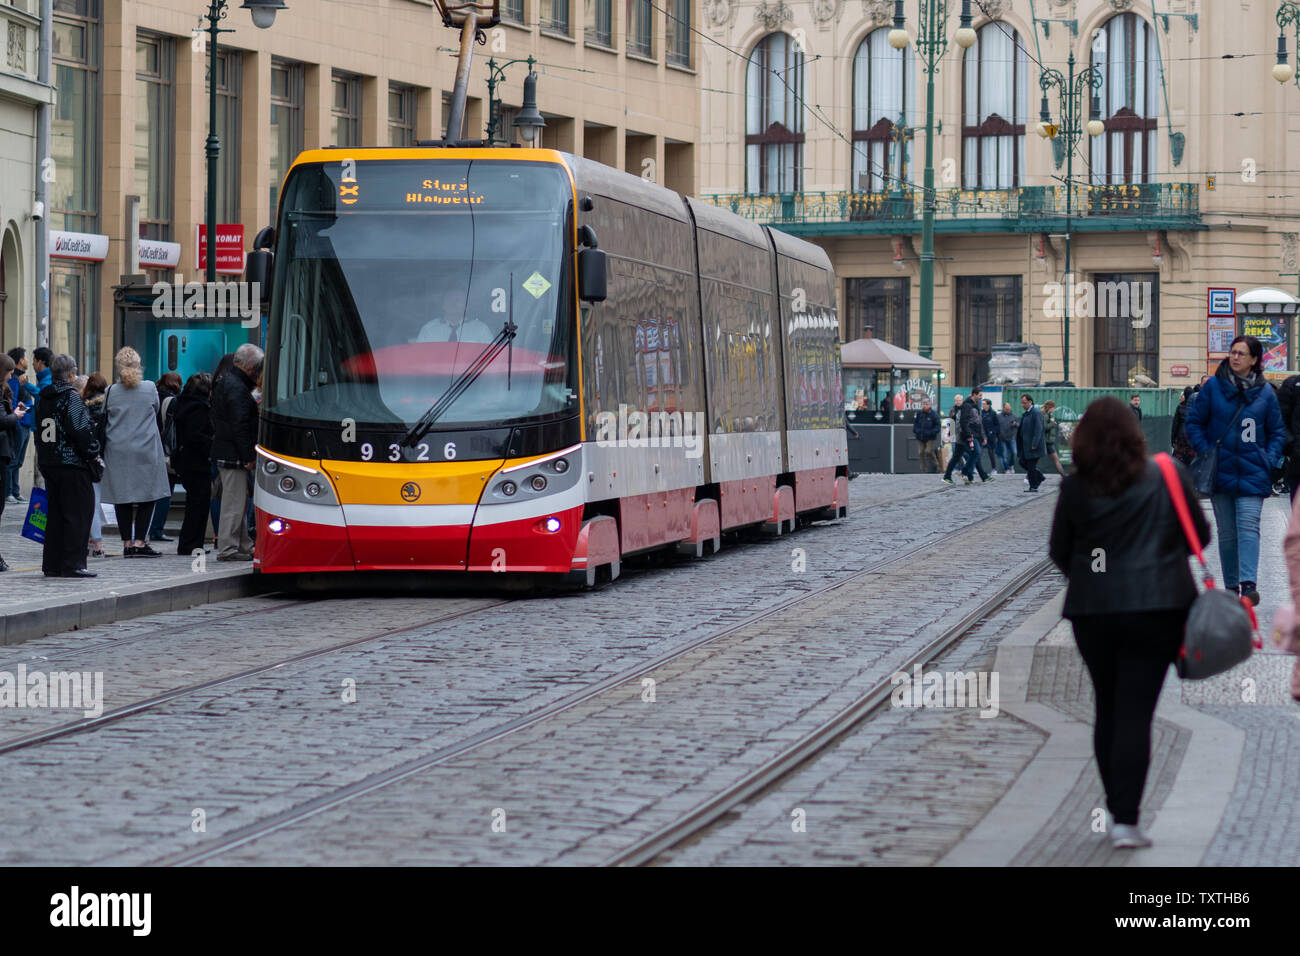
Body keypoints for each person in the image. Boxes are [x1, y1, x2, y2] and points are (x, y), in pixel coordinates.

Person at [1048, 396, 1210, 850]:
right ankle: (1126, 820)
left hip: (1094, 614)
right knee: (1136, 712)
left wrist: (1094, 578)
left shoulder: (1076, 489)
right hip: (1158, 612)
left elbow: (1061, 552)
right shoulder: (1168, 475)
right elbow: (1200, 535)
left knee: (1107, 707)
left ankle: (1116, 806)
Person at [1185, 335, 1285, 606]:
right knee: (1228, 533)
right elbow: (1193, 421)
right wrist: (1206, 450)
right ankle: (1231, 587)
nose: (1236, 357)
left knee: (1249, 527)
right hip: (1220, 470)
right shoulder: (1213, 388)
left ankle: (1248, 585)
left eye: (1242, 353)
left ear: (1254, 360)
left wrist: (1269, 458)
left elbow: (1277, 431)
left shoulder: (1265, 393)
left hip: (1254, 471)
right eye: (1233, 352)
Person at [32, 354, 100, 578]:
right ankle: (73, 563)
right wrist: (93, 453)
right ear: (71, 374)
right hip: (71, 462)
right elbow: (80, 429)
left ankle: (52, 563)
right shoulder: (70, 397)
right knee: (78, 514)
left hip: (50, 461)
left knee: (56, 514)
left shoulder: (44, 397)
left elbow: (40, 430)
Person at [99, 347, 172, 557]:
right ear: (138, 365)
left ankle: (126, 544)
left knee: (122, 498)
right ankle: (140, 542)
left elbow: (105, 416)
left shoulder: (110, 391)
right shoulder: (149, 388)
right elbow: (156, 410)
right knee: (149, 495)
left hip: (117, 449)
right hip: (145, 449)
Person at [211, 343, 263, 560]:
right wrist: (248, 457)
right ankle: (229, 548)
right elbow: (240, 424)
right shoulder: (237, 387)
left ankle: (241, 545)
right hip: (234, 454)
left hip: (228, 451)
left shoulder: (229, 382)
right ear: (250, 366)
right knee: (234, 503)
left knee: (238, 501)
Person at [173, 372, 215, 556]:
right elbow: (197, 437)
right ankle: (192, 544)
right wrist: (212, 443)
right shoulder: (200, 408)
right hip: (197, 463)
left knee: (193, 504)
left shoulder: (182, 404)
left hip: (185, 461)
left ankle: (189, 543)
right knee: (199, 505)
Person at [0, 353, 29, 572]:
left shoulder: (5, 390)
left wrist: (13, 410)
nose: (11, 376)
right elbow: (1, 420)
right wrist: (16, 416)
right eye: (9, 372)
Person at [147, 372, 183, 543]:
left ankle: (148, 528)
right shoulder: (172, 401)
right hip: (165, 452)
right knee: (165, 492)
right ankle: (156, 529)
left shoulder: (151, 396)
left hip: (149, 448)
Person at [81, 373, 109, 558]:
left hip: (89, 457)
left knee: (92, 500)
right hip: (106, 457)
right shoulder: (109, 407)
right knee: (98, 501)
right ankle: (97, 542)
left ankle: (95, 541)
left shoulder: (82, 407)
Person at [6, 347, 38, 504]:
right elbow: (12, 401)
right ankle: (8, 492)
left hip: (25, 422)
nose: (27, 361)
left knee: (18, 460)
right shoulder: (13, 378)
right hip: (18, 422)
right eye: (25, 357)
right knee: (13, 459)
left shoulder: (22, 378)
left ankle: (16, 491)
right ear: (20, 360)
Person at [416, 290, 493, 344]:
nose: (454, 303)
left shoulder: (480, 329)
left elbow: (493, 356)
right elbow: (419, 357)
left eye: (458, 300)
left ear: (466, 306)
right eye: (450, 299)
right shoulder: (429, 330)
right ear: (443, 305)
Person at [957, 386, 992, 484]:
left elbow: (979, 423)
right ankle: (965, 472)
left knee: (975, 455)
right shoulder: (968, 405)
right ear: (974, 394)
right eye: (980, 395)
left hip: (976, 434)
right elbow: (964, 421)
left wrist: (983, 436)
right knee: (975, 453)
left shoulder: (975, 405)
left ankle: (971, 476)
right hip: (970, 435)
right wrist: (968, 435)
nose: (981, 397)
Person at [29, 346, 53, 491]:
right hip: (43, 426)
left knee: (46, 462)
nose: (32, 364)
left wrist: (26, 385)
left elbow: (42, 394)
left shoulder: (48, 379)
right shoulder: (44, 377)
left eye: (34, 360)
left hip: (45, 427)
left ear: (40, 362)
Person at [1019, 393, 1047, 492]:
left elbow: (1038, 430)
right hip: (1026, 445)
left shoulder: (1036, 413)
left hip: (1033, 445)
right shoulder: (1027, 413)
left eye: (1024, 403)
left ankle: (1033, 486)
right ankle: (1039, 476)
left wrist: (1034, 444)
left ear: (1030, 402)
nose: (1023, 405)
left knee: (1031, 466)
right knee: (1022, 462)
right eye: (1022, 403)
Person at [941, 394, 965, 483]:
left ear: (962, 401)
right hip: (954, 434)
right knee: (955, 452)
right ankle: (958, 468)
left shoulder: (964, 409)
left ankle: (964, 468)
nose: (958, 402)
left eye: (959, 400)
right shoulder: (953, 409)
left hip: (962, 434)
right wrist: (949, 433)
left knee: (964, 452)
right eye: (956, 400)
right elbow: (950, 421)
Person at [912, 399, 941, 473]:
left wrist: (931, 432)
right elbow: (915, 424)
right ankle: (923, 470)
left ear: (930, 405)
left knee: (928, 451)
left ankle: (936, 465)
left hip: (930, 438)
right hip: (920, 437)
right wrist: (916, 430)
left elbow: (938, 426)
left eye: (926, 404)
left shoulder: (934, 414)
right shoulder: (919, 414)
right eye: (923, 404)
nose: (925, 406)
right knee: (921, 452)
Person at [1043, 400, 1067, 478]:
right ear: (1051, 407)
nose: (1054, 409)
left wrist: (1053, 423)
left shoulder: (1048, 415)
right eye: (1053, 408)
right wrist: (1052, 423)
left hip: (1048, 442)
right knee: (1056, 460)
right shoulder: (1045, 415)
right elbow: (1045, 427)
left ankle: (1064, 476)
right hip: (1047, 442)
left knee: (1056, 460)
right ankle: (1064, 476)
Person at [996, 402, 1018, 474]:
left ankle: (1011, 465)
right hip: (1002, 439)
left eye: (1009, 409)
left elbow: (1018, 425)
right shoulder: (998, 416)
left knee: (1014, 453)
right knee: (1004, 455)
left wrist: (1015, 424)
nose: (1008, 410)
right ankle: (1007, 469)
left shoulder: (1013, 416)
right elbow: (995, 426)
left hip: (1011, 438)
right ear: (1003, 408)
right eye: (1007, 409)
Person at [980, 398, 1000, 475]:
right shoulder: (980, 413)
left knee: (991, 453)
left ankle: (994, 469)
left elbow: (997, 425)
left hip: (991, 437)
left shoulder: (993, 413)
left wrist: (993, 433)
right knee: (979, 452)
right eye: (982, 404)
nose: (983, 405)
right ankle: (977, 469)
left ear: (988, 405)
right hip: (982, 436)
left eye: (984, 404)